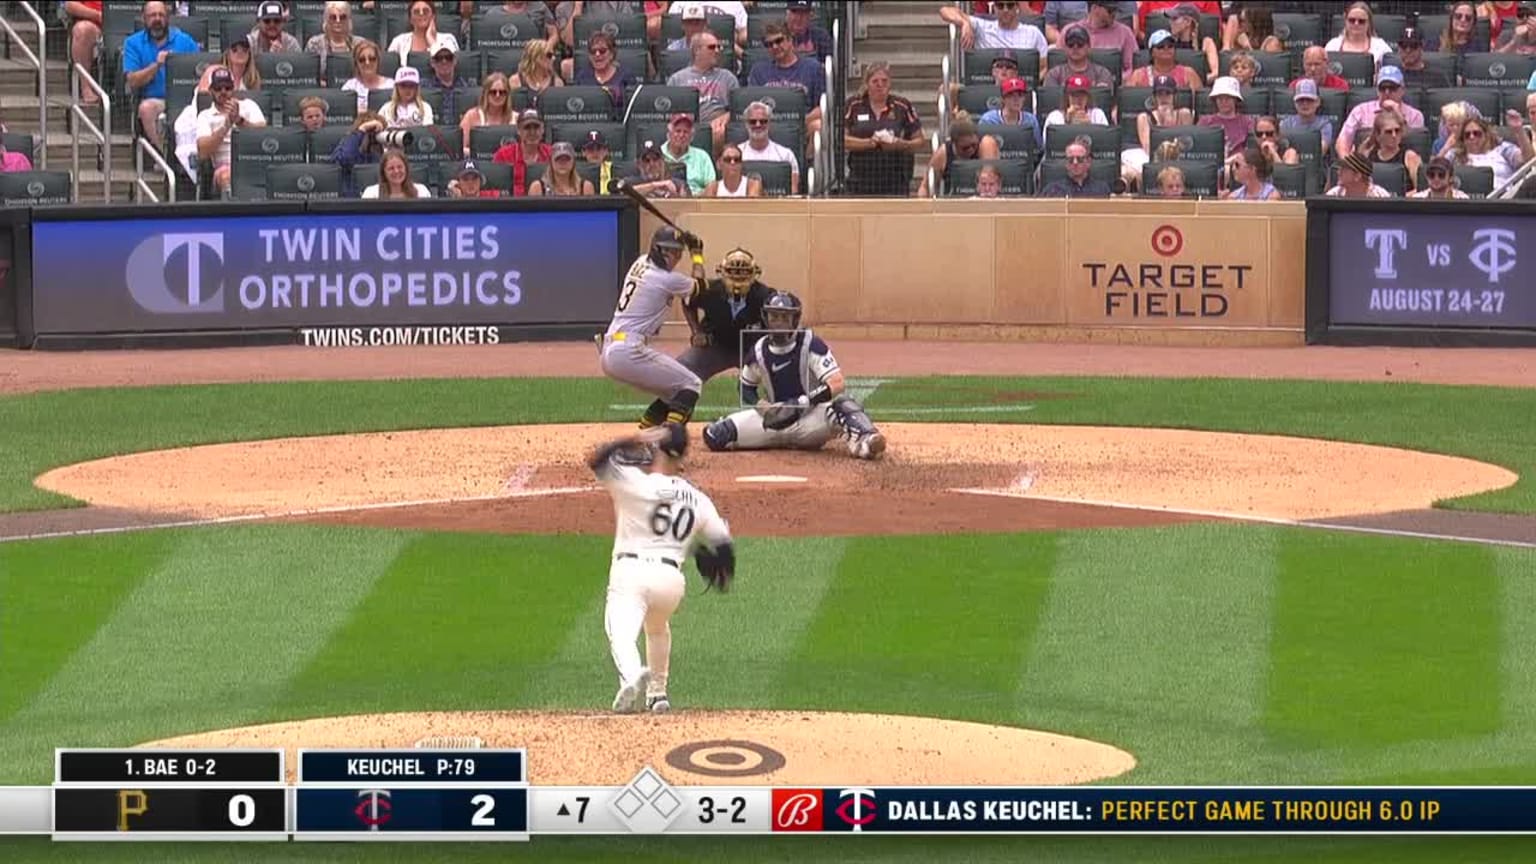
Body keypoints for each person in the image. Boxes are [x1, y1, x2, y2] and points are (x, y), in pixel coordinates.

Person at [589, 421, 735, 716]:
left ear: (656, 448)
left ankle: (630, 677)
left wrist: (637, 436)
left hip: (630, 573)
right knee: (657, 628)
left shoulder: (635, 483)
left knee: (621, 632)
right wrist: (696, 550)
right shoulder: (698, 498)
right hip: (671, 583)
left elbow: (599, 459)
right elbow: (724, 549)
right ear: (683, 456)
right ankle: (658, 693)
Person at [702, 292, 887, 460]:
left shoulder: (810, 344)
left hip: (810, 421)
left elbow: (837, 383)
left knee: (844, 405)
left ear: (795, 319)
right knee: (715, 435)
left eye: (785, 317)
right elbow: (745, 387)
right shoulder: (758, 350)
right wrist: (764, 408)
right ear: (766, 318)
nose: (779, 322)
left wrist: (801, 403)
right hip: (773, 422)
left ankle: (865, 441)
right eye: (774, 316)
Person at [601, 225, 709, 430]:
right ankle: (666, 448)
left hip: (612, 348)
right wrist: (697, 255)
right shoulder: (666, 279)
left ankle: (644, 440)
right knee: (691, 385)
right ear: (658, 250)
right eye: (671, 251)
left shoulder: (640, 262)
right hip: (628, 350)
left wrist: (683, 241)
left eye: (678, 252)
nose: (676, 257)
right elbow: (700, 287)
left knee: (671, 392)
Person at [677, 247, 772, 402]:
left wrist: (771, 343)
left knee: (781, 373)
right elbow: (688, 301)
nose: (738, 277)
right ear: (721, 271)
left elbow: (779, 316)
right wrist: (697, 331)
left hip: (751, 349)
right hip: (716, 345)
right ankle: (673, 413)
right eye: (733, 271)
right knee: (680, 373)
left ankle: (784, 413)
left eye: (743, 273)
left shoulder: (764, 295)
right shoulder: (710, 290)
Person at [122, 0, 203, 149]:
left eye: (161, 15)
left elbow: (201, 70)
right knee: (146, 108)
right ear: (144, 19)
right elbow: (132, 81)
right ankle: (166, 157)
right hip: (158, 101)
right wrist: (157, 65)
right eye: (152, 15)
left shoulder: (184, 41)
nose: (157, 19)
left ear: (168, 18)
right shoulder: (132, 43)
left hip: (187, 101)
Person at [842, 62, 924, 196]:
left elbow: (920, 141)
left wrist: (900, 144)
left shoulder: (902, 106)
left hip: (895, 178)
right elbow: (841, 140)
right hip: (860, 178)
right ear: (867, 84)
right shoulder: (853, 105)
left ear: (890, 83)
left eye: (884, 81)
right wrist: (869, 143)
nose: (880, 85)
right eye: (875, 81)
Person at [747, 22, 826, 144]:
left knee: (818, 126)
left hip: (803, 126)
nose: (774, 46)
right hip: (767, 128)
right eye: (769, 44)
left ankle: (808, 163)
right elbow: (752, 107)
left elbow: (822, 107)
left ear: (790, 40)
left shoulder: (813, 68)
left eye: (779, 41)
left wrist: (800, 121)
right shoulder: (758, 71)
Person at [195, 67, 267, 195]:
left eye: (227, 88)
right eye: (218, 88)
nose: (223, 92)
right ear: (211, 90)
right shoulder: (205, 116)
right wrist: (226, 126)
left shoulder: (249, 105)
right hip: (224, 166)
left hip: (253, 162)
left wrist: (240, 121)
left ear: (233, 88)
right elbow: (203, 152)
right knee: (227, 177)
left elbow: (264, 135)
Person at [940, 0, 1050, 80]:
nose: (1005, 10)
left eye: (1010, 5)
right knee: (947, 89)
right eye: (1000, 5)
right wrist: (964, 23)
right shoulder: (982, 27)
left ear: (1017, 7)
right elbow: (944, 11)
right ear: (994, 7)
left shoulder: (1033, 32)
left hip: (1019, 91)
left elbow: (1045, 66)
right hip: (986, 87)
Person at [667, 32, 739, 153]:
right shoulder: (677, 79)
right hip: (686, 125)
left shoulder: (727, 77)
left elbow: (739, 110)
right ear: (697, 51)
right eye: (711, 47)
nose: (717, 50)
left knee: (719, 132)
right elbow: (668, 112)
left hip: (716, 128)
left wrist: (726, 117)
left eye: (719, 47)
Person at [1337, 66, 1425, 159]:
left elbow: (1412, 144)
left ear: (1402, 90)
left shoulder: (1415, 115)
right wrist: (1349, 164)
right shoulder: (1360, 111)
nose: (1387, 92)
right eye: (1382, 88)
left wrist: (1398, 113)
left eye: (1392, 88)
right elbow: (1343, 140)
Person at [1122, 74, 1192, 188]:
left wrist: (1170, 122)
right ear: (1154, 97)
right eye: (1160, 94)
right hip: (1152, 157)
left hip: (1179, 157)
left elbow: (1187, 142)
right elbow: (1148, 147)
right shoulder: (1144, 117)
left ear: (1174, 96)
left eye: (1168, 94)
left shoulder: (1184, 114)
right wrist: (1161, 123)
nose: (1164, 98)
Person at [1442, 114, 1535, 189]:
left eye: (1476, 133)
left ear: (1486, 135)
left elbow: (1528, 160)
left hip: (1502, 199)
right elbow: (1435, 170)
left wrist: (1519, 130)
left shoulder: (1503, 149)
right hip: (1464, 202)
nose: (1472, 137)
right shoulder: (1454, 154)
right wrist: (1446, 148)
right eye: (1467, 135)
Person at [916, 114, 999, 197]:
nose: (971, 150)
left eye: (974, 145)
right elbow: (924, 187)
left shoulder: (986, 144)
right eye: (965, 148)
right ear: (954, 144)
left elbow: (991, 178)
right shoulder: (943, 153)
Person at [736, 101, 800, 194]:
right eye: (753, 122)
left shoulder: (786, 155)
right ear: (746, 124)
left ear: (769, 123)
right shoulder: (736, 154)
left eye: (763, 121)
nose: (758, 125)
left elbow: (793, 192)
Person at [1055, 2, 1137, 74]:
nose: (1114, 14)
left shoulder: (1125, 32)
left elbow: (1132, 68)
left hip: (1112, 87)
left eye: (1115, 9)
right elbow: (1058, 66)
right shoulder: (1070, 32)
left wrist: (1119, 80)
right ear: (1094, 8)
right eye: (1110, 10)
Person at [566, 31, 639, 109]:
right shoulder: (582, 76)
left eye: (602, 51)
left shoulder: (626, 75)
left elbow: (634, 104)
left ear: (612, 54)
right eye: (593, 51)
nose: (597, 54)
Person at [1360, 109, 1422, 193]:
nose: (1394, 135)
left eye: (1397, 131)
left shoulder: (1410, 157)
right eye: (1388, 132)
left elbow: (1420, 189)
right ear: (1378, 135)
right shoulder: (1368, 156)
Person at [493, 109, 551, 196]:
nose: (532, 132)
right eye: (527, 128)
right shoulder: (503, 155)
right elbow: (494, 187)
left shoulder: (552, 154)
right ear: (518, 130)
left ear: (543, 130)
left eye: (536, 127)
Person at [330, 110, 388, 198]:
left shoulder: (381, 154)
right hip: (352, 199)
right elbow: (345, 159)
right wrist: (362, 130)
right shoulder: (347, 144)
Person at [978, 75, 1043, 152]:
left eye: (1020, 95)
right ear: (1003, 99)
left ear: (1024, 98)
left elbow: (1038, 149)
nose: (1016, 100)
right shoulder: (988, 120)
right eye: (1011, 95)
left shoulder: (1031, 120)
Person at [1198, 76, 1255, 160]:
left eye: (1227, 98)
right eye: (1220, 99)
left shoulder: (1247, 121)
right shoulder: (1205, 121)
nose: (1223, 102)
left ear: (1235, 100)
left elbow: (1251, 149)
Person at [458, 72, 516, 155]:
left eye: (502, 92)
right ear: (485, 94)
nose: (497, 95)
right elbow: (459, 148)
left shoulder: (517, 118)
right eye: (493, 92)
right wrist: (476, 154)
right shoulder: (472, 116)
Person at [1126, 29, 1202, 90]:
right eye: (1161, 46)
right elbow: (1128, 101)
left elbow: (1200, 103)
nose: (1166, 48)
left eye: (1170, 46)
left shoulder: (1188, 74)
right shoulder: (1138, 75)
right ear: (1152, 52)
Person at [660, 113, 715, 196]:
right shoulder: (657, 155)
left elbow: (712, 186)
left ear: (691, 137)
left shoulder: (702, 156)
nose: (682, 135)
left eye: (686, 132)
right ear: (669, 134)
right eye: (678, 131)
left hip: (696, 203)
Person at [1043, 25, 1115, 88]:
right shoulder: (1054, 74)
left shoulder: (1101, 73)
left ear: (1089, 47)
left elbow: (1103, 100)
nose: (1075, 47)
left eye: (1080, 44)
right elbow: (1052, 100)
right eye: (1071, 44)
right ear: (1065, 48)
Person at [1165, 3, 1219, 86]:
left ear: (1188, 22)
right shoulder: (1169, 44)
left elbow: (1215, 73)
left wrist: (1192, 81)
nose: (1170, 22)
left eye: (1174, 19)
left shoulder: (1206, 43)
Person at [388, 0, 459, 63]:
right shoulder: (399, 41)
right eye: (416, 12)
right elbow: (388, 67)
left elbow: (446, 65)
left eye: (426, 11)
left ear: (433, 16)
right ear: (410, 19)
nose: (421, 14)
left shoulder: (448, 39)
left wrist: (431, 41)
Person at [1325, 1, 1393, 66]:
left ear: (1369, 23)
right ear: (1345, 21)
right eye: (1352, 20)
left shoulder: (1381, 47)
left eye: (1361, 21)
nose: (1356, 24)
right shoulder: (1333, 45)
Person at [1039, 138, 1112, 196]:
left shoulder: (1102, 190)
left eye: (1080, 159)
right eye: (1070, 160)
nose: (1075, 163)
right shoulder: (1052, 190)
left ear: (1088, 162)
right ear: (1066, 163)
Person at [424, 45, 474, 127]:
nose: (444, 61)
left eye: (448, 57)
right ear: (432, 63)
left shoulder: (467, 87)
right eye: (439, 58)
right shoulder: (424, 87)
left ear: (455, 61)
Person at [65, 1, 103, 106]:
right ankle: (86, 88)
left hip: (131, 25)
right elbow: (70, 5)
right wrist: (97, 15)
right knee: (82, 29)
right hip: (96, 24)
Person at [1042, 73, 1108, 134]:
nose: (1078, 99)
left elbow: (1105, 143)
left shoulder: (1098, 115)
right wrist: (1067, 124)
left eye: (1082, 95)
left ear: (1088, 97)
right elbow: (1048, 144)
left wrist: (1089, 127)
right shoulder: (1054, 117)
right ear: (1067, 96)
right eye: (1074, 95)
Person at [1281, 79, 1334, 155]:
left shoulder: (1324, 125)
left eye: (1309, 100)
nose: (1305, 104)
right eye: (1301, 100)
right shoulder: (1286, 124)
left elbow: (1321, 150)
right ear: (1295, 103)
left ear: (1318, 102)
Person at [307, 0, 361, 73]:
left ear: (349, 20)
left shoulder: (360, 44)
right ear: (326, 20)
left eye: (342, 17)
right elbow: (309, 74)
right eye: (333, 17)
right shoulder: (314, 44)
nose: (338, 21)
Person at [340, 40, 392, 113]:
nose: (367, 63)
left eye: (372, 59)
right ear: (356, 63)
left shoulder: (391, 86)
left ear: (378, 61)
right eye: (362, 60)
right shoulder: (349, 87)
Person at [528, 141, 595, 195]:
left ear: (573, 162)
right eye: (558, 159)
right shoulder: (537, 188)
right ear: (551, 162)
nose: (562, 163)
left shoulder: (586, 187)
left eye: (566, 159)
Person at [362, 147, 431, 198]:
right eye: (391, 168)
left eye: (400, 167)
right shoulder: (371, 194)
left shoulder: (422, 191)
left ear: (406, 169)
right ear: (384, 172)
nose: (396, 171)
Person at [1326, 151, 1392, 197]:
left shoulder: (1380, 196)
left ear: (1357, 176)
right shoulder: (1334, 194)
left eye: (1344, 169)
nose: (1338, 172)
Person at [581, 129, 616, 194]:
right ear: (583, 152)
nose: (595, 152)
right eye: (590, 149)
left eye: (599, 148)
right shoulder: (575, 172)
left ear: (606, 151)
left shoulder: (615, 171)